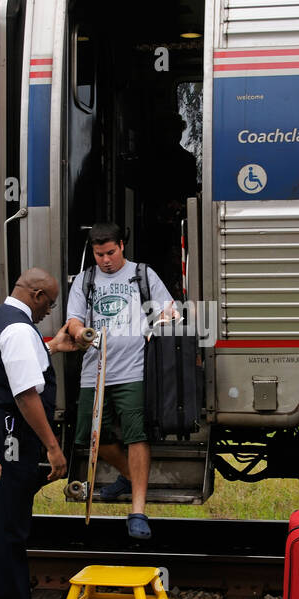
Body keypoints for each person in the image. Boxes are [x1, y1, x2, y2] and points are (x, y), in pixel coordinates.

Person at [0, 268, 76, 599]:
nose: (48, 311)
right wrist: (52, 446)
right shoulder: (18, 329)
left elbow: (12, 366)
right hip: (10, 435)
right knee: (9, 527)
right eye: (48, 303)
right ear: (35, 294)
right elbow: (25, 394)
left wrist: (50, 348)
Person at [65, 222, 173, 540]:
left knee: (136, 436)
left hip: (134, 371)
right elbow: (73, 320)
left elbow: (168, 310)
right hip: (93, 372)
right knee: (89, 435)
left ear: (121, 246)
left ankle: (137, 511)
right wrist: (79, 332)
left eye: (110, 252)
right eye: (99, 254)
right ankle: (127, 475)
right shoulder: (85, 280)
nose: (106, 260)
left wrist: (162, 323)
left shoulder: (142, 274)